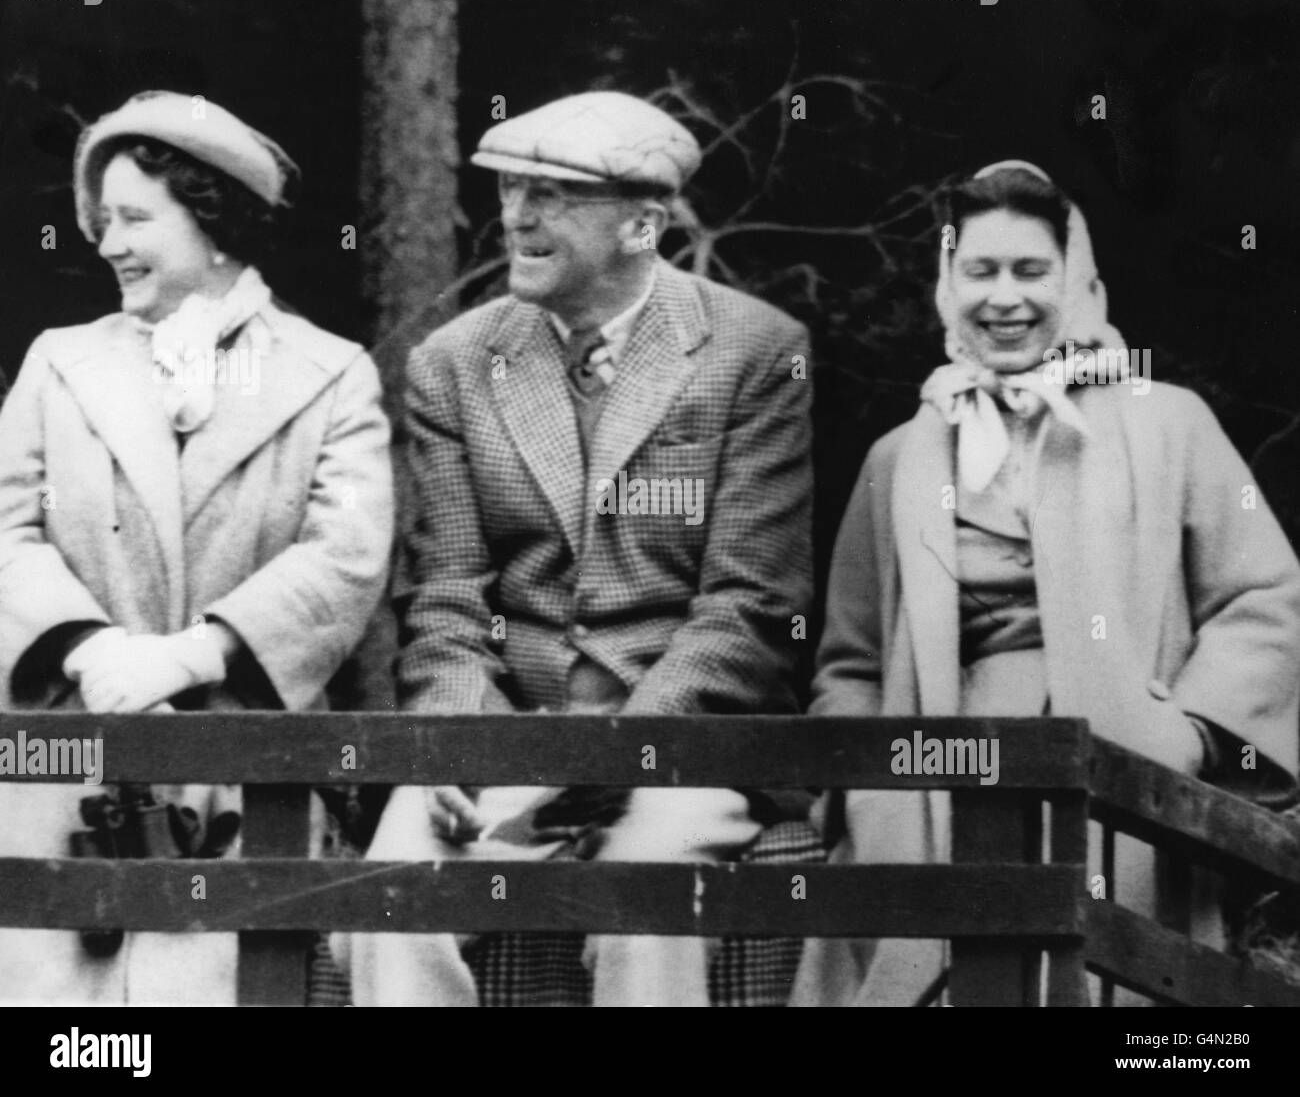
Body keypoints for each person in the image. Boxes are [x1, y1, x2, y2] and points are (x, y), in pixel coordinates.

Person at [331, 91, 813, 1007]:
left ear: (642, 222)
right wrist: (457, 748)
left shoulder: (754, 352)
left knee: (644, 905)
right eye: (514, 188)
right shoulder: (456, 362)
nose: (518, 214)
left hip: (679, 746)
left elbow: (751, 608)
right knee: (390, 904)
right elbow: (446, 598)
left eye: (556, 194)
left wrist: (621, 752)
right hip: (507, 737)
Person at [791, 160, 1300, 1006]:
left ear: (1078, 281)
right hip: (935, 785)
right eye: (979, 271)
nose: (1005, 298)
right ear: (947, 285)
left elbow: (1266, 600)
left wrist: (1191, 736)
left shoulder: (1165, 420)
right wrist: (867, 784)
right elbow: (847, 661)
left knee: (1115, 990)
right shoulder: (901, 457)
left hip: (1115, 773)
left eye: (1031, 271)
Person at [0, 91, 394, 1004]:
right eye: (103, 220)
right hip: (66, 765)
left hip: (246, 772)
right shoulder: (58, 363)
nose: (107, 242)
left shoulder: (330, 373)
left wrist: (191, 655)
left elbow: (345, 558)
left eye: (136, 217)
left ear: (213, 223)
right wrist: (88, 646)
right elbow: (4, 532)